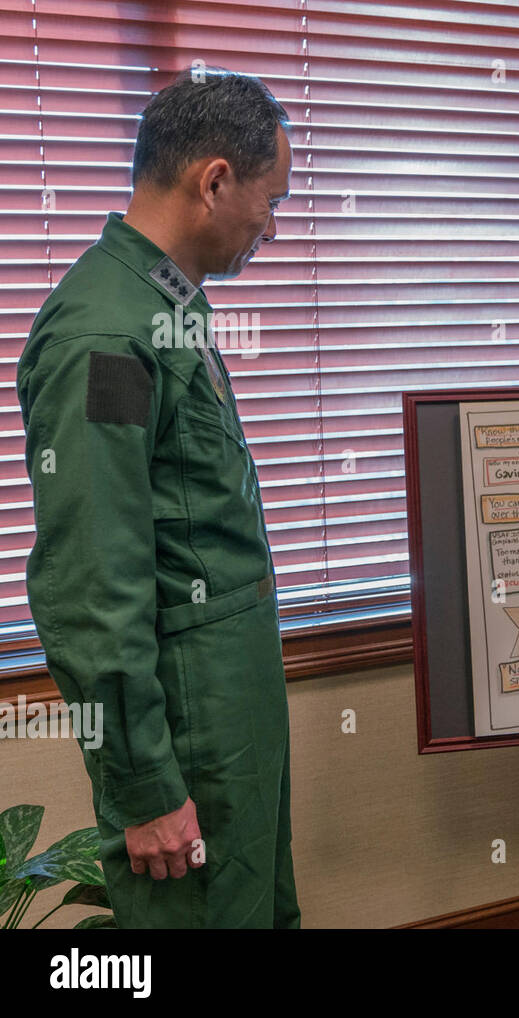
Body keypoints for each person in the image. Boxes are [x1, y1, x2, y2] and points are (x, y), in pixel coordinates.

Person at [17, 71, 299, 927]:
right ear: (213, 181)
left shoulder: (162, 303)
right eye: (269, 200)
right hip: (189, 719)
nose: (273, 227)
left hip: (227, 702)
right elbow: (92, 581)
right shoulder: (108, 337)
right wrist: (142, 785)